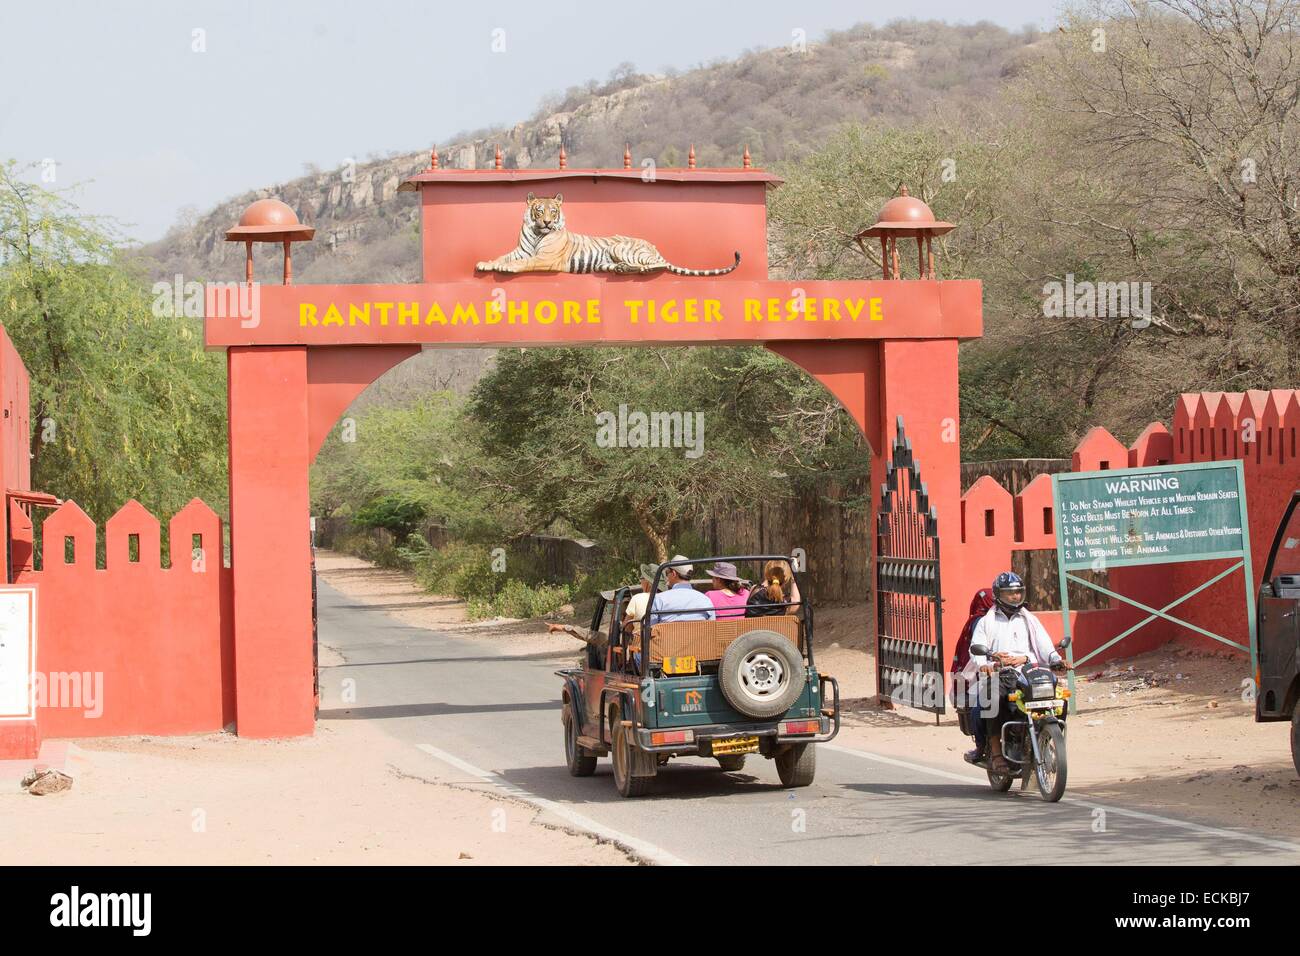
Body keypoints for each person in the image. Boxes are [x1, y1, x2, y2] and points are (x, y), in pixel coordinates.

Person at [961, 571, 1064, 774]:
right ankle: (997, 753)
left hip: (1029, 672)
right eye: (1010, 593)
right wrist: (986, 664)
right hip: (1000, 674)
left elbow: (1044, 646)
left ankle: (1049, 739)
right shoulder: (987, 622)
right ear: (999, 594)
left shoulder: (1029, 620)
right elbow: (978, 648)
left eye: (1018, 592)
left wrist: (1055, 660)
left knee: (1060, 698)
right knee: (993, 699)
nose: (1015, 596)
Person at [950, 588, 995, 764]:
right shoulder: (982, 622)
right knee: (984, 707)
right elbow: (978, 649)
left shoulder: (1023, 618)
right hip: (988, 669)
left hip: (1018, 667)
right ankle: (982, 746)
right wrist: (986, 663)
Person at [647, 556, 716, 624]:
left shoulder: (659, 599)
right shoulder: (706, 600)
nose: (667, 577)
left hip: (669, 635)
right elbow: (712, 628)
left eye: (667, 573)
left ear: (674, 574)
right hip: (699, 635)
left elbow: (650, 628)